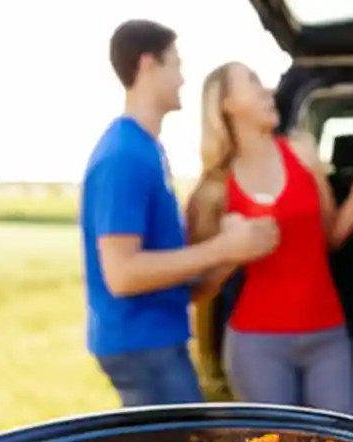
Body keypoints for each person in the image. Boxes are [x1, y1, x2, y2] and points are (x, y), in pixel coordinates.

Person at [80, 20, 279, 408]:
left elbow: (170, 273)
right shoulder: (123, 154)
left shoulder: (148, 149)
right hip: (141, 347)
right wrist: (223, 247)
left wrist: (231, 256)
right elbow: (123, 275)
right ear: (148, 64)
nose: (184, 79)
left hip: (158, 340)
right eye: (177, 64)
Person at [185, 62, 353, 414]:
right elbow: (201, 289)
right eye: (253, 81)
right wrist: (232, 251)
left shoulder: (301, 152)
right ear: (226, 103)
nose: (268, 91)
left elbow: (329, 238)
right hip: (256, 344)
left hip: (326, 334)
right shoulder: (216, 188)